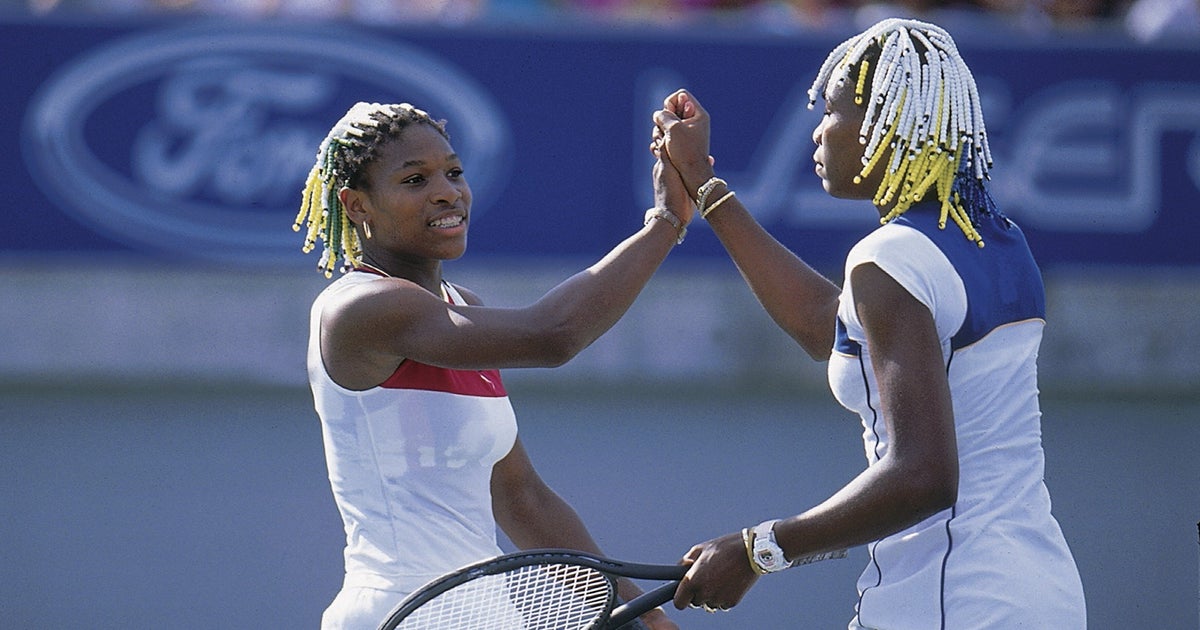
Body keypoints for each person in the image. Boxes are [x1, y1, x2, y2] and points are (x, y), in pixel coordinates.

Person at [652, 18, 1086, 628]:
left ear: (889, 127)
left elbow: (925, 476)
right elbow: (823, 326)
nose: (820, 131)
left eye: (832, 111)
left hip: (952, 596)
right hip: (1042, 591)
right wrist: (706, 190)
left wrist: (758, 550)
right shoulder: (1001, 243)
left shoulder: (888, 258)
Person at [293, 101, 689, 629]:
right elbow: (554, 336)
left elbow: (520, 495)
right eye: (415, 180)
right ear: (357, 204)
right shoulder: (360, 309)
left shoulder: (464, 310)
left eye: (454, 172)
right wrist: (666, 220)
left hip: (480, 612)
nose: (447, 192)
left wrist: (632, 607)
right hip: (397, 611)